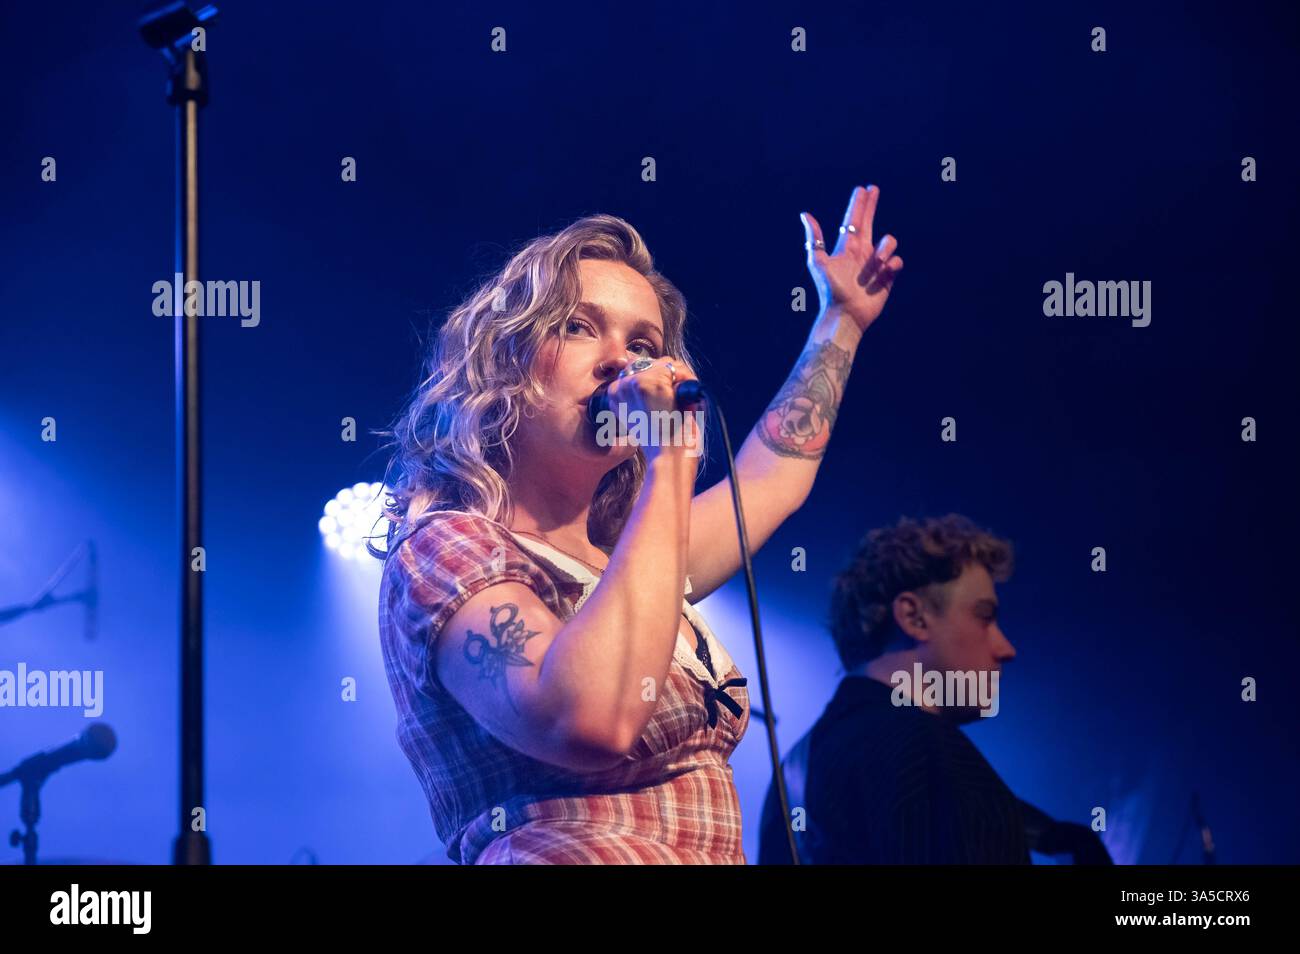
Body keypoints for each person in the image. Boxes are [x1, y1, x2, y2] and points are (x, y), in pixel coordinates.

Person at [376, 186, 903, 864]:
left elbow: (772, 479)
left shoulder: (631, 561)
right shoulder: (446, 546)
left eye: (644, 342)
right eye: (578, 326)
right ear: (504, 359)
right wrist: (673, 461)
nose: (621, 360)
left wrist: (842, 322)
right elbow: (589, 718)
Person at [758, 515, 1110, 865]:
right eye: (984, 616)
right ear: (914, 618)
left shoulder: (796, 768)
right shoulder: (924, 750)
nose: (1006, 649)